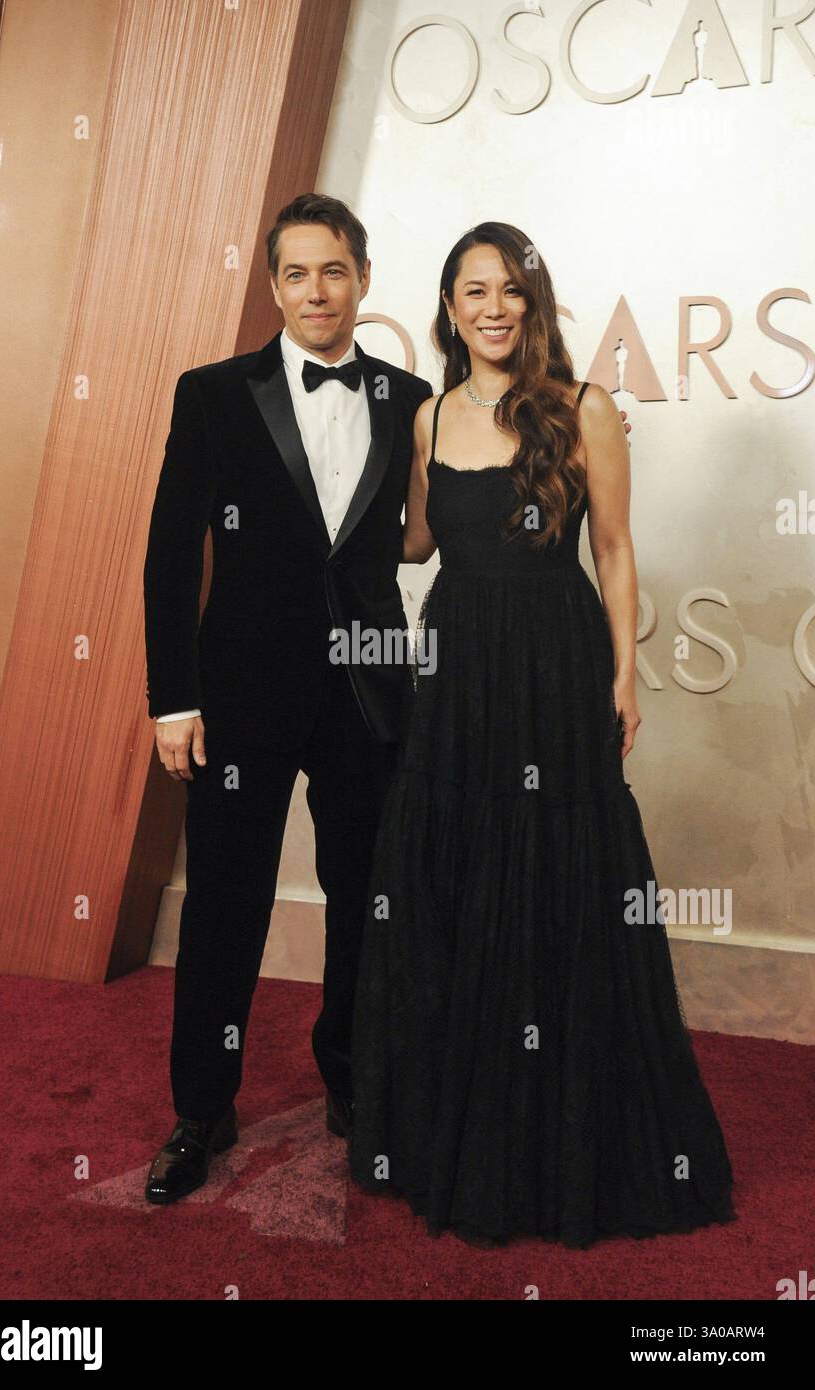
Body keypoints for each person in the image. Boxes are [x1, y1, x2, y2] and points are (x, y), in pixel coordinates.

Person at [142, 195, 632, 1206]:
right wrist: (172, 698)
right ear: (272, 285)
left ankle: (357, 1086)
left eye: (334, 271)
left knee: (377, 898)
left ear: (363, 280)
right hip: (237, 694)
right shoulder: (211, 394)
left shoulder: (413, 399)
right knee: (224, 901)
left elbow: (422, 537)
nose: (316, 291)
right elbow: (166, 555)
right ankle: (202, 1108)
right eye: (295, 274)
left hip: (371, 688)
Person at [347, 222, 735, 1250]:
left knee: (558, 874)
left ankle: (561, 1134)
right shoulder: (430, 417)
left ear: (533, 301)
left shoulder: (581, 408)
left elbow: (612, 547)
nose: (492, 306)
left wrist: (623, 671)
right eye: (472, 290)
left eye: (509, 288)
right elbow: (419, 540)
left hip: (554, 662)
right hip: (459, 664)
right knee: (458, 873)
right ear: (449, 306)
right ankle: (454, 1121)